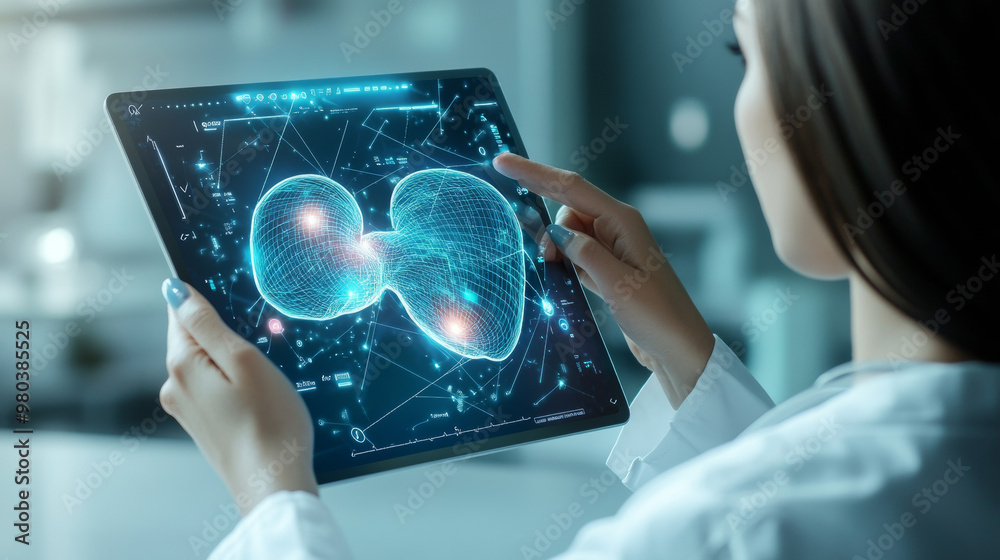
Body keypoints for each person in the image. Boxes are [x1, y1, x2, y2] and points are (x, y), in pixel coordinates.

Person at [157, 0, 1000, 557]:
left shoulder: (705, 536)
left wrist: (271, 491)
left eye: (745, 46)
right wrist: (689, 361)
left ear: (865, 92)